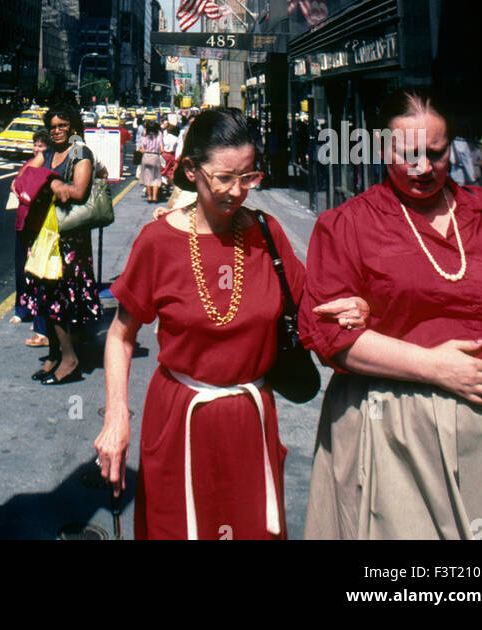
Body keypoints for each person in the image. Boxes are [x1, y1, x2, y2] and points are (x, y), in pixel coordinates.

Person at [94, 109, 370, 539]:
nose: (236, 191)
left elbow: (312, 308)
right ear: (190, 169)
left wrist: (353, 308)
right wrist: (116, 418)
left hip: (250, 420)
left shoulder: (268, 233)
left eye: (248, 177)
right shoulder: (158, 241)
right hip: (179, 421)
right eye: (222, 178)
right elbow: (121, 336)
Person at [299, 88, 482, 540]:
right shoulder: (350, 225)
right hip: (398, 430)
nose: (423, 168)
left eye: (436, 153)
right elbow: (334, 339)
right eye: (407, 155)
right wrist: (434, 366)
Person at [19, 103, 101, 384]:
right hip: (45, 235)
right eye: (53, 126)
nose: (56, 131)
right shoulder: (49, 153)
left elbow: (77, 192)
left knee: (60, 300)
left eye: (62, 126)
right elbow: (22, 179)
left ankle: (70, 359)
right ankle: (54, 355)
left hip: (69, 240)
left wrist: (47, 184)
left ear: (73, 126)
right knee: (44, 295)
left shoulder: (81, 153)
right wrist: (53, 184)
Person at [10, 129, 51, 348]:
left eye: (42, 146)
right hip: (23, 222)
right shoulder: (31, 163)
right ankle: (21, 309)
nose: (37, 149)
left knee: (36, 272)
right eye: (35, 145)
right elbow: (16, 183)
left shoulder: (48, 166)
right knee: (20, 268)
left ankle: (36, 315)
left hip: (41, 225)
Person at [137, 118, 164, 204]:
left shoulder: (144, 138)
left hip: (146, 157)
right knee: (156, 177)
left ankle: (149, 196)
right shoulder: (158, 137)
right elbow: (162, 149)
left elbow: (142, 150)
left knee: (147, 177)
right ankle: (155, 197)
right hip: (155, 157)